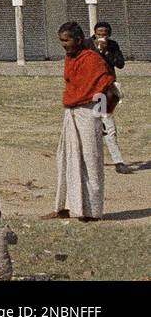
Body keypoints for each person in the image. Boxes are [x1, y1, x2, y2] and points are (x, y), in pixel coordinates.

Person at [47, 22, 112, 221]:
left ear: (78, 39)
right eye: (61, 41)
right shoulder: (70, 59)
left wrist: (101, 117)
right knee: (68, 158)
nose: (64, 44)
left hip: (89, 112)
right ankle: (67, 206)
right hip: (71, 112)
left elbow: (107, 87)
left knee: (90, 161)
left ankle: (92, 211)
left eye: (66, 40)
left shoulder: (92, 59)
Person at [91, 22, 132, 175]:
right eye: (99, 33)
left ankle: (118, 161)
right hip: (92, 91)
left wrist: (107, 52)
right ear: (94, 33)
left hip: (107, 91)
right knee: (94, 126)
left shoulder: (112, 46)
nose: (102, 36)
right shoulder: (88, 45)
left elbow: (120, 64)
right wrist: (96, 50)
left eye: (105, 33)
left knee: (108, 125)